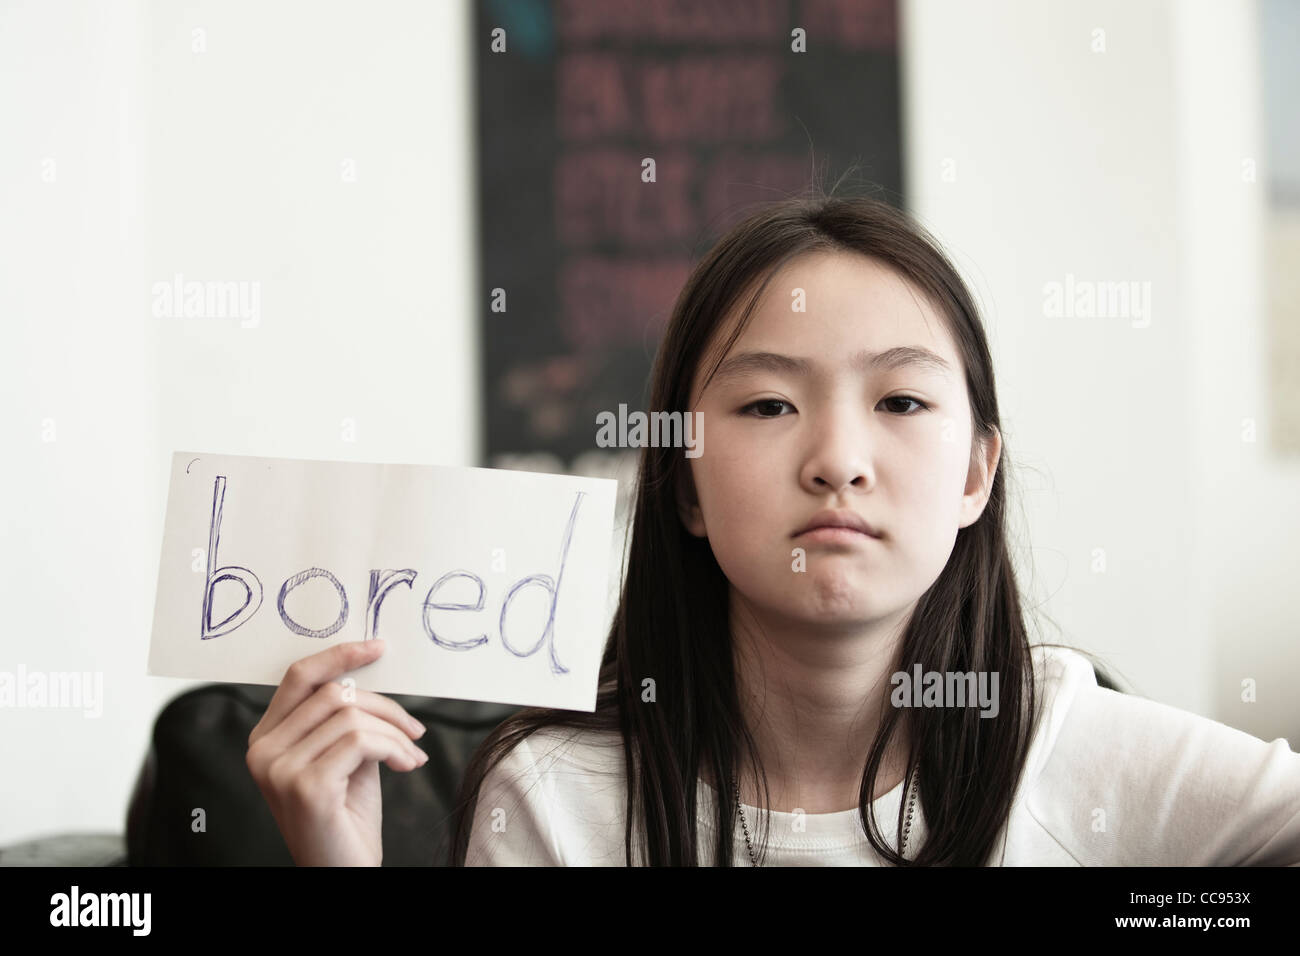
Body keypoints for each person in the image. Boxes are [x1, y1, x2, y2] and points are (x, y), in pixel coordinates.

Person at [247, 191, 1300, 867]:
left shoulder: (1074, 750)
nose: (836, 459)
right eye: (765, 406)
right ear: (687, 488)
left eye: (900, 403)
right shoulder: (556, 797)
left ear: (977, 470)